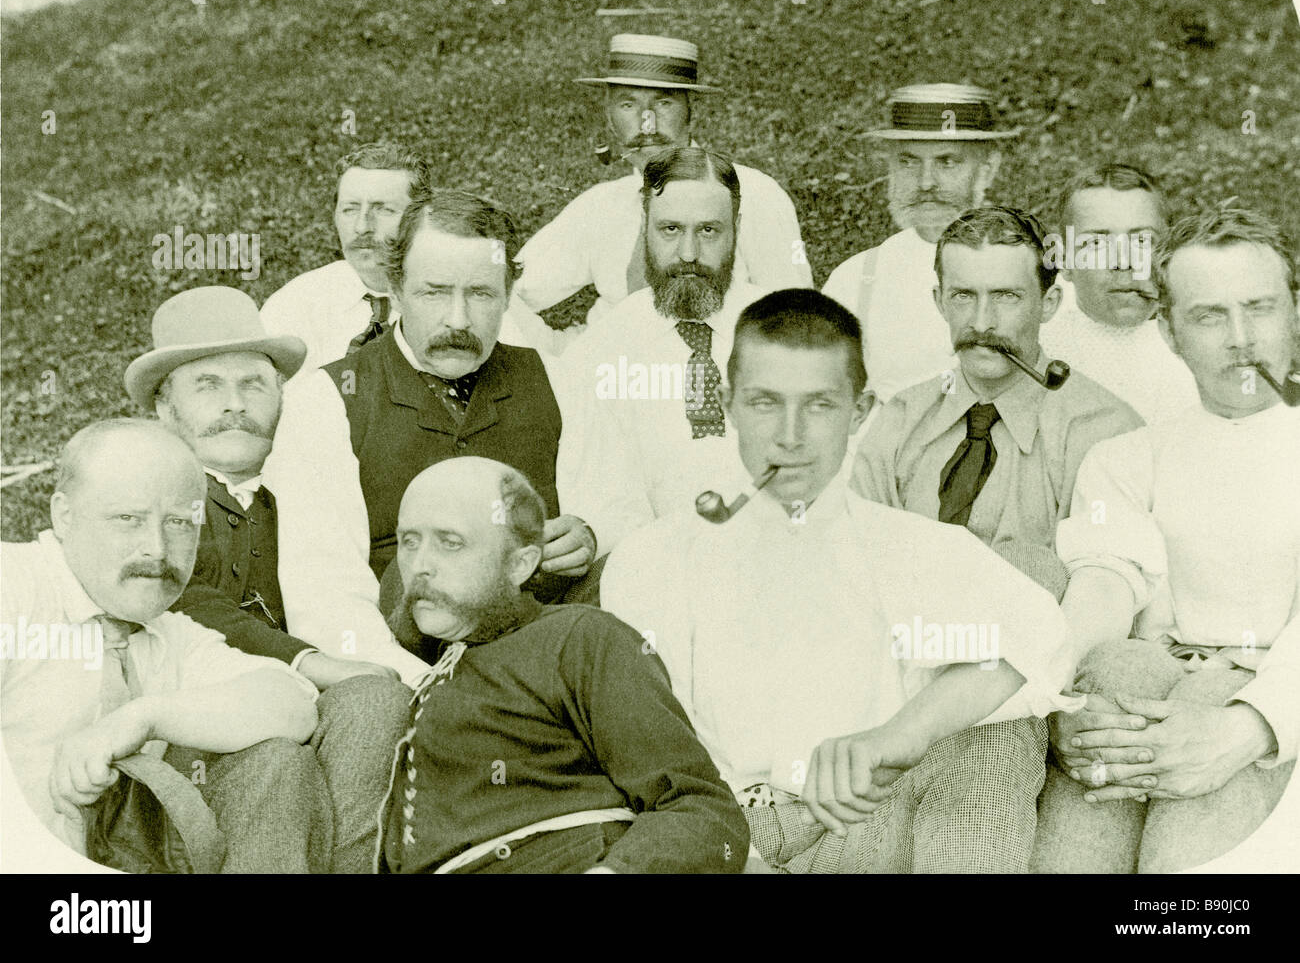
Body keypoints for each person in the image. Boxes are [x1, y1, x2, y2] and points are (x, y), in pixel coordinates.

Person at [603, 288, 1080, 873]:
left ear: (860, 412)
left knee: (990, 729)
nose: (791, 435)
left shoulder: (910, 545)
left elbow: (1040, 638)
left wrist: (895, 737)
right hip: (717, 833)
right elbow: (645, 748)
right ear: (727, 403)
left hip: (862, 823)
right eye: (764, 403)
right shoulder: (655, 556)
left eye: (820, 405)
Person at [1034, 207, 1299, 873]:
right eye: (1209, 316)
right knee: (1120, 673)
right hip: (1149, 708)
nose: (1241, 339)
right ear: (1170, 333)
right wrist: (1057, 700)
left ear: (1294, 312)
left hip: (1276, 715)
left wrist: (1249, 725)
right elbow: (1103, 583)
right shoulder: (1126, 458)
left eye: (1260, 308)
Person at [125, 286, 417, 872]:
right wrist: (310, 662)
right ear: (164, 407)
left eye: (253, 384)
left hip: (314, 712)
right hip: (198, 729)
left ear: (282, 399)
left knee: (377, 699)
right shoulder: (154, 497)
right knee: (276, 759)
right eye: (207, 385)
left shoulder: (309, 486)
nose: (235, 404)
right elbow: (186, 601)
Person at [375, 456, 748, 874]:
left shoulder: (579, 638)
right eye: (409, 541)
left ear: (520, 563)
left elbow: (700, 807)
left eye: (451, 542)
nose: (421, 565)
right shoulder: (429, 674)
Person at [265, 186, 597, 652]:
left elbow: (619, 510)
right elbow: (323, 590)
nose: (458, 320)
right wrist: (411, 684)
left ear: (507, 295)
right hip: (410, 652)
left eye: (480, 293)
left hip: (549, 647)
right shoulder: (324, 400)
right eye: (435, 293)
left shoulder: (558, 381)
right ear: (396, 290)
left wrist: (590, 537)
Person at [1, 419, 326, 872]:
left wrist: (142, 718)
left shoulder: (168, 632)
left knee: (277, 759)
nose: (156, 549)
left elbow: (294, 704)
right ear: (64, 515)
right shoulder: (11, 587)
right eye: (127, 519)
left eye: (177, 522)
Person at [851, 206, 1142, 574]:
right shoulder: (900, 419)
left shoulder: (1101, 431)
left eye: (1006, 296)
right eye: (963, 296)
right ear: (939, 302)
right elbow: (856, 563)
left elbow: (1104, 590)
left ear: (1048, 304)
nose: (981, 323)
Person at [512, 34, 809, 332]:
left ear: (691, 112)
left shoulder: (754, 193)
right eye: (628, 105)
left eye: (663, 103)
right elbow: (510, 291)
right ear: (609, 116)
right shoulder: (598, 207)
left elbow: (794, 312)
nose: (647, 124)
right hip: (617, 365)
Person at [556, 146, 770, 556]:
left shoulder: (787, 328)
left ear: (736, 228)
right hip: (658, 572)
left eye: (709, 231)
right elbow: (602, 497)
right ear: (645, 226)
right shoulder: (600, 354)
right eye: (670, 229)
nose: (688, 254)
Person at [260, 143, 555, 372]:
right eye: (350, 209)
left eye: (383, 210)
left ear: (419, 217)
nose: (362, 227)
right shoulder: (296, 305)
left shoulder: (473, 297)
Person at [822, 83, 1015, 403]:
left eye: (947, 162)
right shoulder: (855, 279)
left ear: (987, 169)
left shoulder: (1036, 268)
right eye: (909, 162)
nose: (926, 183)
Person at [1039, 163, 1199, 424]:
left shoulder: (1200, 346)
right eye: (1096, 243)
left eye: (1142, 241)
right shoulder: (1037, 347)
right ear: (1065, 260)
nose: (1123, 261)